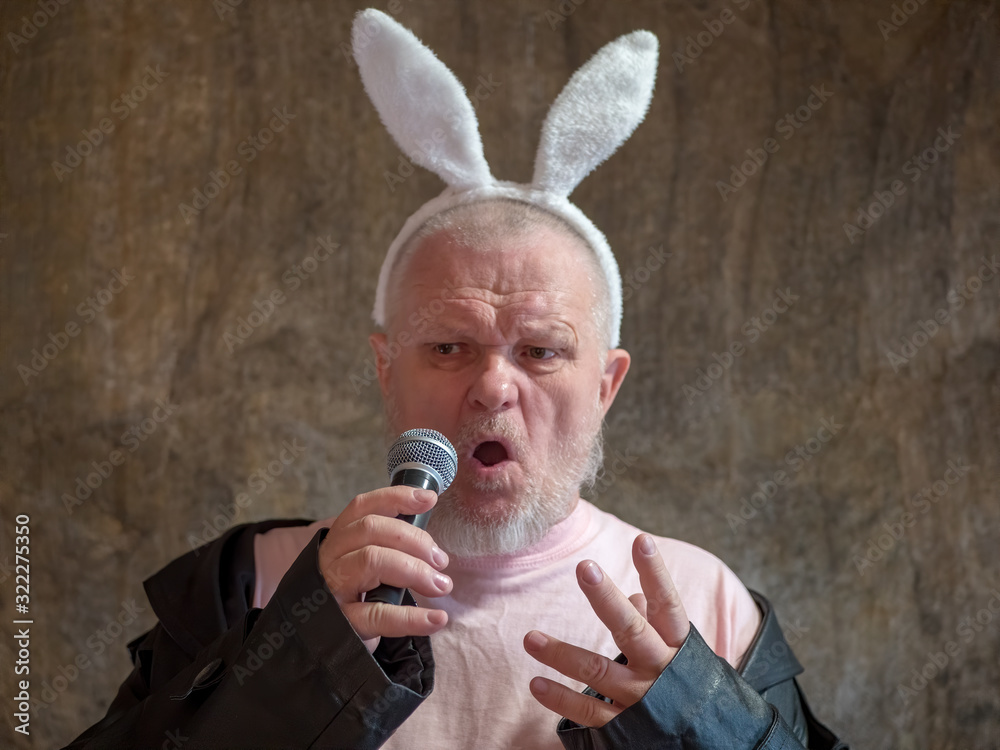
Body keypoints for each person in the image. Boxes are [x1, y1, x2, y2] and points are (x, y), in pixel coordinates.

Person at [65, 10, 848, 750]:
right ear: (385, 369)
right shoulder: (256, 583)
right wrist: (298, 660)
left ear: (606, 386)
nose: (493, 387)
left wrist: (704, 726)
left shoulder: (700, 605)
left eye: (541, 351)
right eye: (447, 346)